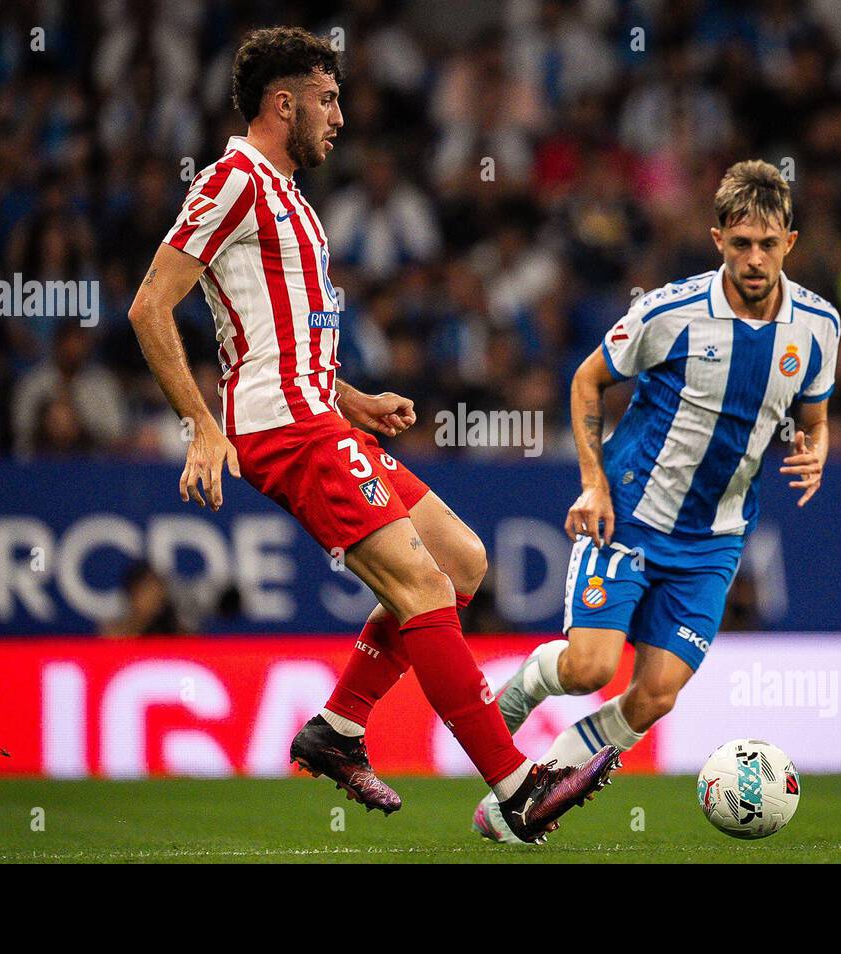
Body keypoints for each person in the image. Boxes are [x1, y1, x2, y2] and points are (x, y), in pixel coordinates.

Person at [125, 26, 616, 844]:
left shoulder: (285, 193)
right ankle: (517, 784)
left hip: (318, 413)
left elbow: (272, 334)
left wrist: (350, 397)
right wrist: (203, 427)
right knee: (420, 587)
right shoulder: (233, 181)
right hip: (285, 431)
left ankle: (338, 727)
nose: (340, 117)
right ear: (283, 104)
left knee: (461, 564)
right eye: (327, 99)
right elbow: (149, 305)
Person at [472, 160, 839, 842]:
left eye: (767, 244)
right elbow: (587, 382)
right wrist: (591, 482)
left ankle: (523, 801)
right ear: (717, 239)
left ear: (790, 241)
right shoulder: (670, 312)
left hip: (715, 540)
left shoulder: (818, 326)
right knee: (590, 668)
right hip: (630, 517)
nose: (753, 259)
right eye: (739, 244)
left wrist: (815, 447)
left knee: (656, 694)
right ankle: (526, 685)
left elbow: (814, 414)